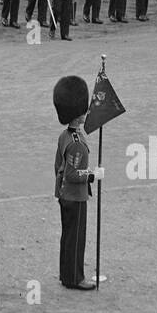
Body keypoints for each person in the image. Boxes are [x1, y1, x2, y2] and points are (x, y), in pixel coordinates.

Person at [53, 75, 97, 291]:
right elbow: (73, 174)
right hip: (75, 195)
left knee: (68, 236)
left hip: (64, 194)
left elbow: (58, 167)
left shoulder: (65, 136)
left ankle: (66, 274)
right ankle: (75, 278)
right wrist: (92, 176)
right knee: (76, 238)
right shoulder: (77, 143)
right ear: (78, 114)